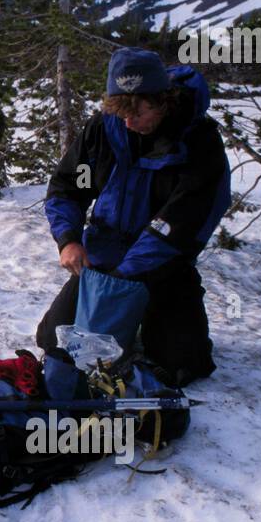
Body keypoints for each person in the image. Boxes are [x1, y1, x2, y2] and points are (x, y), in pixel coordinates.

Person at [36, 48, 232, 385]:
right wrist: (68, 239)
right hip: (103, 263)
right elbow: (69, 186)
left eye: (137, 111)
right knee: (53, 340)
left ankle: (154, 317)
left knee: (180, 364)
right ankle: (123, 315)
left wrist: (124, 278)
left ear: (163, 99)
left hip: (162, 267)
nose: (128, 122)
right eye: (120, 111)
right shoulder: (104, 130)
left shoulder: (198, 142)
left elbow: (180, 223)